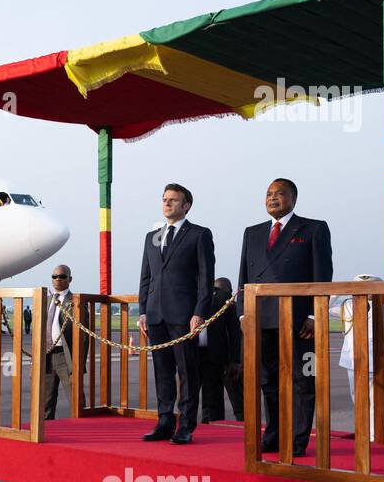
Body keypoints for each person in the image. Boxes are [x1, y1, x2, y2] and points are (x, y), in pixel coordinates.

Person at [237, 178, 333, 457]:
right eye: (268, 194)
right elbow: (243, 277)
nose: (272, 198)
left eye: (279, 193)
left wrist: (316, 315)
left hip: (299, 320)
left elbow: (322, 275)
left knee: (302, 380)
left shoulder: (313, 229)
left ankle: (298, 438)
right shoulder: (252, 233)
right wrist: (244, 313)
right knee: (269, 380)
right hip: (262, 318)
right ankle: (275, 433)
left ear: (294, 198)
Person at [138, 184, 215, 444]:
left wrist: (199, 312)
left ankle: (186, 424)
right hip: (155, 315)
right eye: (164, 199)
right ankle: (164, 421)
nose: (167, 204)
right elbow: (146, 278)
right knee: (162, 372)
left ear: (186, 205)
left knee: (187, 372)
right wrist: (143, 311)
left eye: (173, 200)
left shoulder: (199, 235)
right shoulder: (152, 237)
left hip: (184, 316)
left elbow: (206, 278)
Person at [329, 274, 384, 439]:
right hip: (352, 360)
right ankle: (362, 431)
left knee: (374, 400)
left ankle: (373, 435)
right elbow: (325, 307)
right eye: (361, 287)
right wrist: (338, 291)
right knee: (357, 399)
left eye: (370, 287)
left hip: (377, 359)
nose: (366, 291)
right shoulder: (348, 305)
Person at [198, 277, 243, 423]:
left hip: (216, 355)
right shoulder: (184, 292)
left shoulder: (223, 297)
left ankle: (215, 424)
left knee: (213, 398)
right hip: (191, 353)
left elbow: (234, 331)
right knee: (187, 395)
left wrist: (235, 360)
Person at [41, 264, 78, 420]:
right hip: (47, 355)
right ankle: (48, 435)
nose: (58, 279)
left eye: (62, 276)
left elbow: (82, 337)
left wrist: (77, 364)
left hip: (65, 356)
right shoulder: (46, 300)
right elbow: (39, 330)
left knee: (76, 399)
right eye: (54, 276)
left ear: (70, 279)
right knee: (46, 402)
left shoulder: (75, 301)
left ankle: (83, 433)